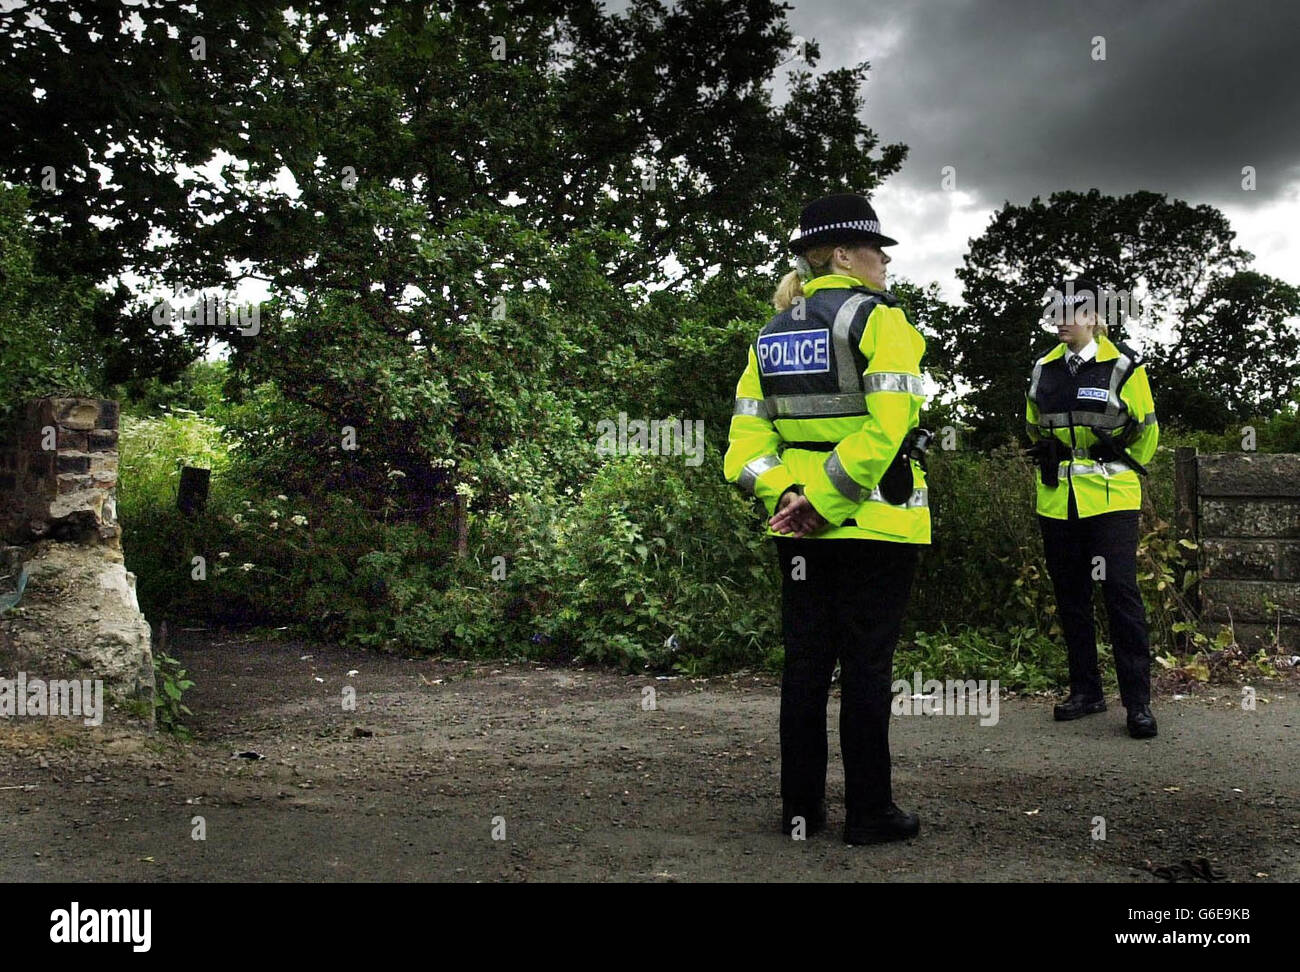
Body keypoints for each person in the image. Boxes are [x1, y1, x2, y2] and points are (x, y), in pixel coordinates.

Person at [723, 193, 930, 844]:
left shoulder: (772, 333)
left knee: (806, 667)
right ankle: (870, 814)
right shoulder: (878, 319)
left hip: (798, 532)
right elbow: (889, 425)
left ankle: (800, 812)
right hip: (875, 525)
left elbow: (744, 446)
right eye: (877, 249)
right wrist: (830, 501)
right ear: (843, 253)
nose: (885, 261)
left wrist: (788, 495)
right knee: (867, 667)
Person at [1025, 276, 1159, 739]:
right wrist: (1046, 454)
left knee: (1121, 596)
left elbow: (1148, 432)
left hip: (1112, 499)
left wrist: (1117, 467)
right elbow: (1031, 425)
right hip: (1057, 499)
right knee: (1071, 597)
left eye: (1072, 312)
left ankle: (1138, 703)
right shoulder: (1044, 368)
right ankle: (1087, 691)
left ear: (1096, 318)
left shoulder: (1124, 367)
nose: (1060, 320)